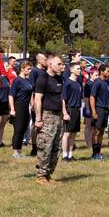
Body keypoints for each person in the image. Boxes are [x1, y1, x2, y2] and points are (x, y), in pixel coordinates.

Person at [33, 55, 67, 184]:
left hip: (58, 116)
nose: (61, 66)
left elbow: (61, 98)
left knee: (56, 147)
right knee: (45, 146)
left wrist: (64, 113)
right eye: (59, 64)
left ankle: (48, 174)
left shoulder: (59, 78)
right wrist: (38, 118)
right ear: (50, 64)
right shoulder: (43, 78)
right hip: (47, 116)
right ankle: (40, 175)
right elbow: (37, 99)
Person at [10, 61, 34, 159]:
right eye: (28, 69)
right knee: (18, 129)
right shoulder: (17, 80)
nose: (30, 70)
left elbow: (30, 93)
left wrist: (32, 104)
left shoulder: (27, 81)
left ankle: (19, 151)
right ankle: (15, 152)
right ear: (22, 69)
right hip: (18, 105)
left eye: (30, 68)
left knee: (24, 128)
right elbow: (11, 95)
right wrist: (12, 109)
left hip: (26, 106)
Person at [61, 60, 83, 161]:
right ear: (71, 70)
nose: (80, 70)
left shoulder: (78, 83)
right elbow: (63, 99)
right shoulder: (67, 83)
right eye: (77, 69)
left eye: (80, 69)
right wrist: (65, 113)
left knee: (73, 134)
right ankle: (64, 155)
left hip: (77, 110)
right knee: (67, 133)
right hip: (69, 109)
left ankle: (70, 154)